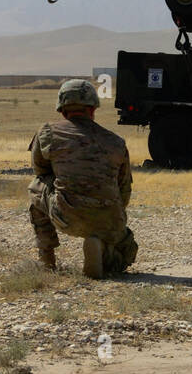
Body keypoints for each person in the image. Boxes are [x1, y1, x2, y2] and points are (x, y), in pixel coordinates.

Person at [28, 79, 138, 279]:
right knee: (124, 256)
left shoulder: (48, 133)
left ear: (62, 110)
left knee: (36, 187)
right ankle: (103, 247)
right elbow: (124, 191)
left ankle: (47, 259)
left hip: (67, 215)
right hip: (110, 220)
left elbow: (40, 170)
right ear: (93, 109)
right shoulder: (116, 142)